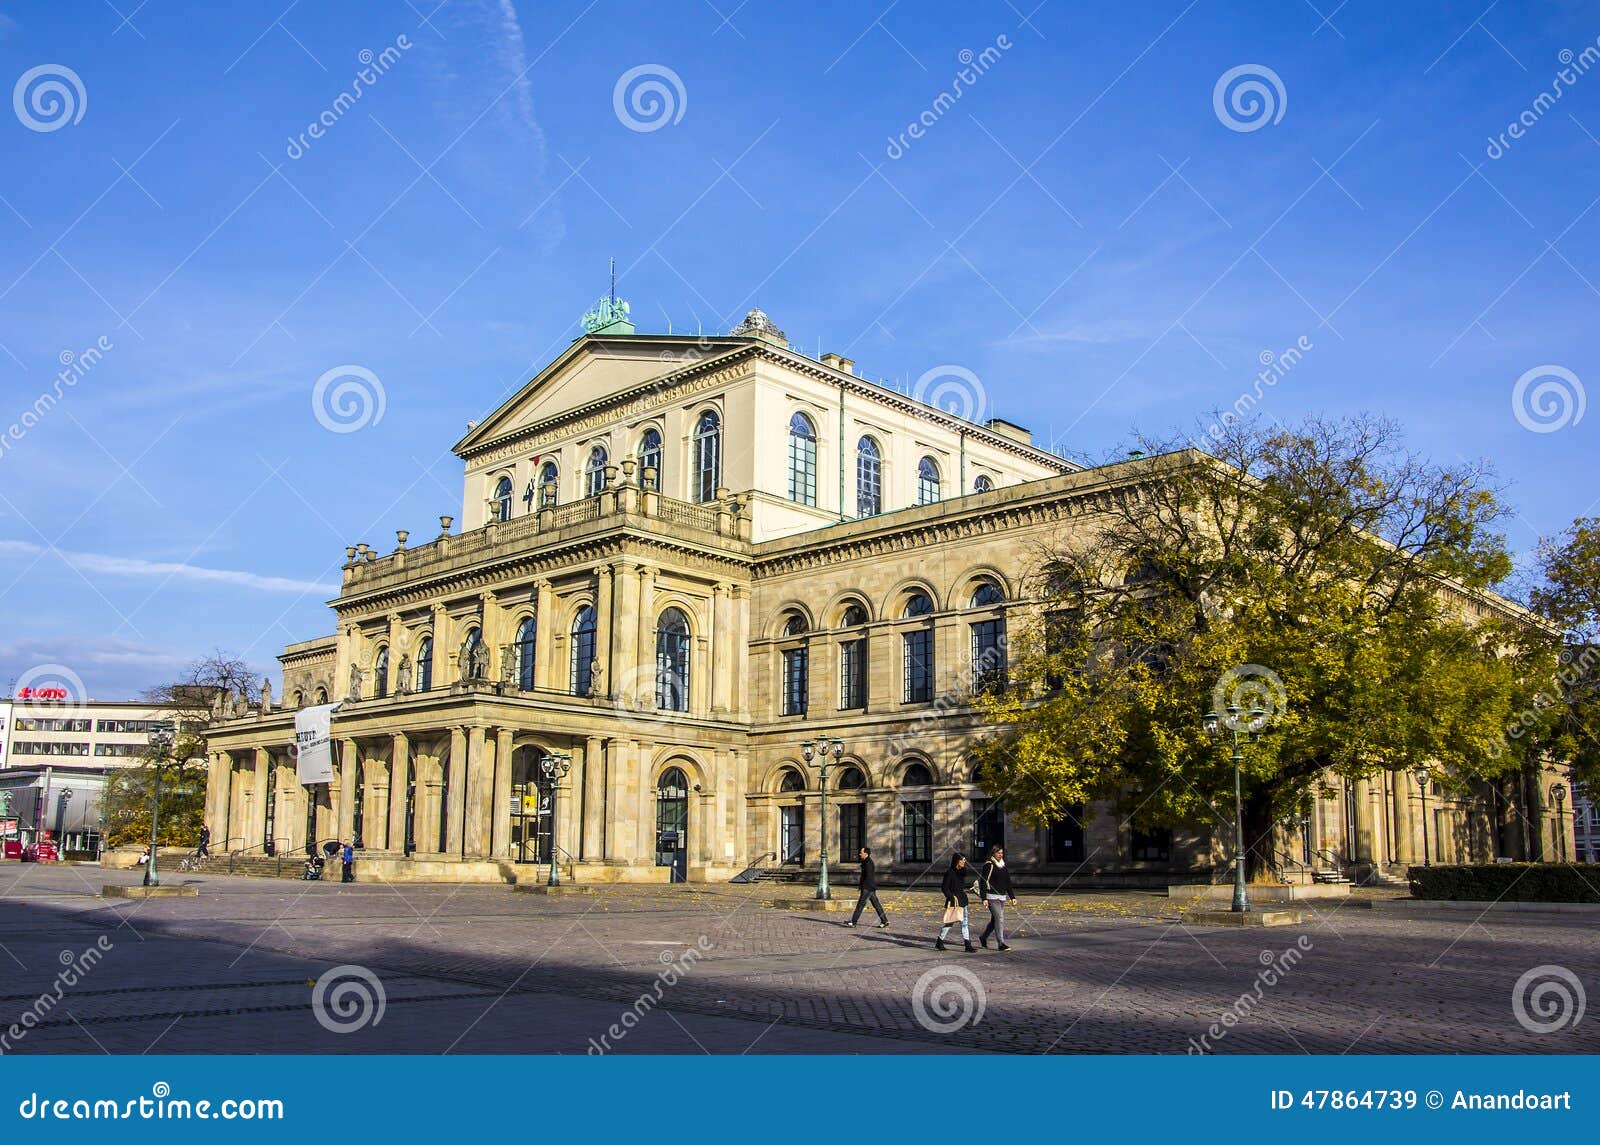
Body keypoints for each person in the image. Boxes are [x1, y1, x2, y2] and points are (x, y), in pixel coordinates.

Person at [978, 846, 1018, 950]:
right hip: (991, 897)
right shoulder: (989, 865)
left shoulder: (1003, 866)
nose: (1001, 855)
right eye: (998, 853)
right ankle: (1001, 943)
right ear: (993, 854)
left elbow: (1007, 883)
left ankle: (983, 937)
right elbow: (983, 882)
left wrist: (1012, 897)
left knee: (995, 920)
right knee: (999, 918)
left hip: (1001, 897)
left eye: (1002, 853)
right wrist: (984, 898)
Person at [936, 853, 976, 952]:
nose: (964, 862)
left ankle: (967, 944)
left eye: (964, 860)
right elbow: (944, 888)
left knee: (964, 923)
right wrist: (951, 897)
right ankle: (939, 941)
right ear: (957, 860)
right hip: (954, 901)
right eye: (962, 860)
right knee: (949, 923)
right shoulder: (950, 872)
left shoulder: (962, 872)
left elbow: (961, 887)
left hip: (963, 900)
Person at [843, 846, 889, 929]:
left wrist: (864, 887)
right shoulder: (866, 862)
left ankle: (853, 922)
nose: (860, 854)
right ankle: (884, 921)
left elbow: (868, 877)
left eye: (861, 853)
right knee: (876, 905)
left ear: (866, 854)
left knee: (860, 905)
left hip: (867, 887)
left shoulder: (868, 863)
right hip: (869, 887)